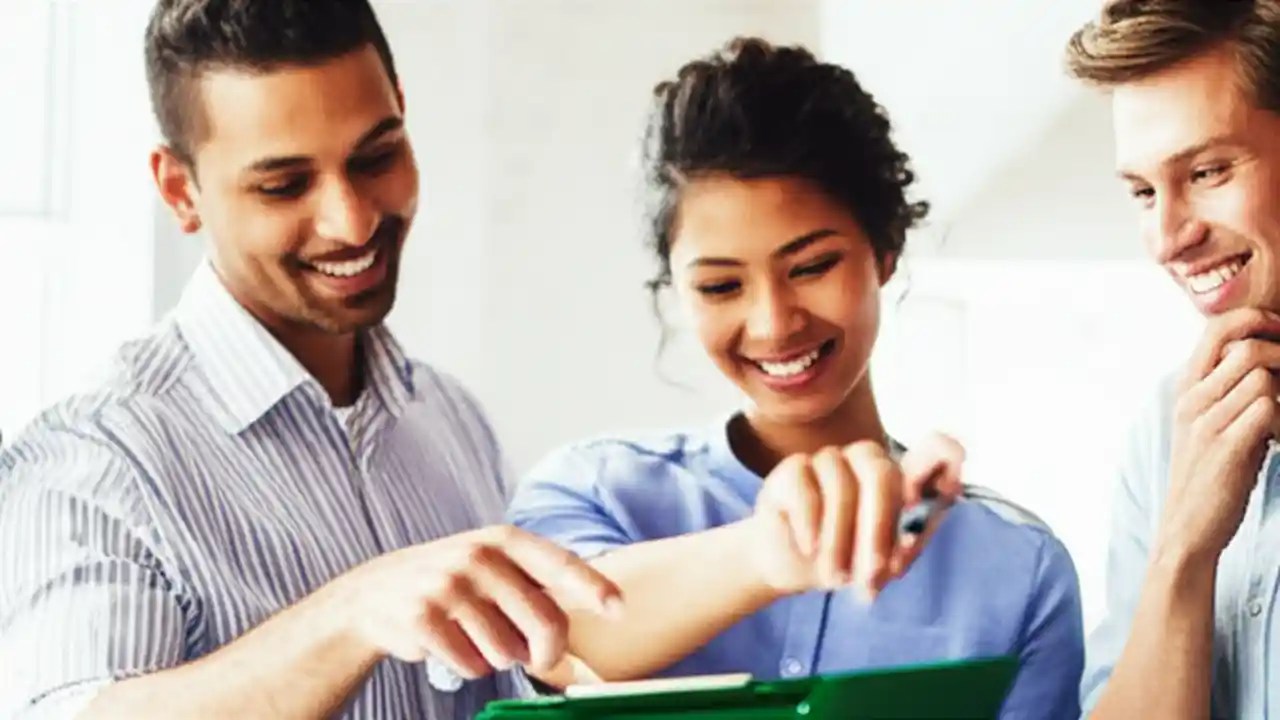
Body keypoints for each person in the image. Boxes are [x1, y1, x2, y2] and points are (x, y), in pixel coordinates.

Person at [0, 1, 622, 718]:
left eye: (376, 157)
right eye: (284, 185)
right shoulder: (88, 464)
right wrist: (349, 614)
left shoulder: (450, 419)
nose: (351, 219)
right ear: (180, 190)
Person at [507, 37, 1084, 718]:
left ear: (886, 249)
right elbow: (561, 631)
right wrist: (769, 553)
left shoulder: (1018, 571)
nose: (775, 324)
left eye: (811, 267)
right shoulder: (595, 492)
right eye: (721, 285)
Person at [1064, 2, 1280, 718]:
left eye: (1210, 170)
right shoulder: (1165, 431)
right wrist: (1182, 552)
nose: (1167, 238)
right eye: (1143, 191)